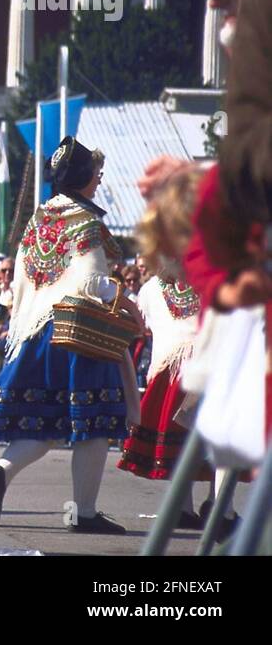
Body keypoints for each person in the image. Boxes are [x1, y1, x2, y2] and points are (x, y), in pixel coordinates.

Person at [0, 136, 143, 534]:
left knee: (44, 423)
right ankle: (84, 512)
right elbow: (91, 281)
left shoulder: (39, 219)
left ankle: (1, 470)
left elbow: (20, 280)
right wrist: (128, 304)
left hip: (36, 334)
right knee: (95, 422)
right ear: (83, 176)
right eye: (96, 173)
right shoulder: (84, 222)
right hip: (79, 333)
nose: (99, 179)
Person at [118, 165, 242, 539]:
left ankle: (186, 509)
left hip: (169, 374)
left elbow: (147, 328)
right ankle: (223, 508)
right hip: (210, 365)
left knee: (180, 446)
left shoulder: (153, 288)